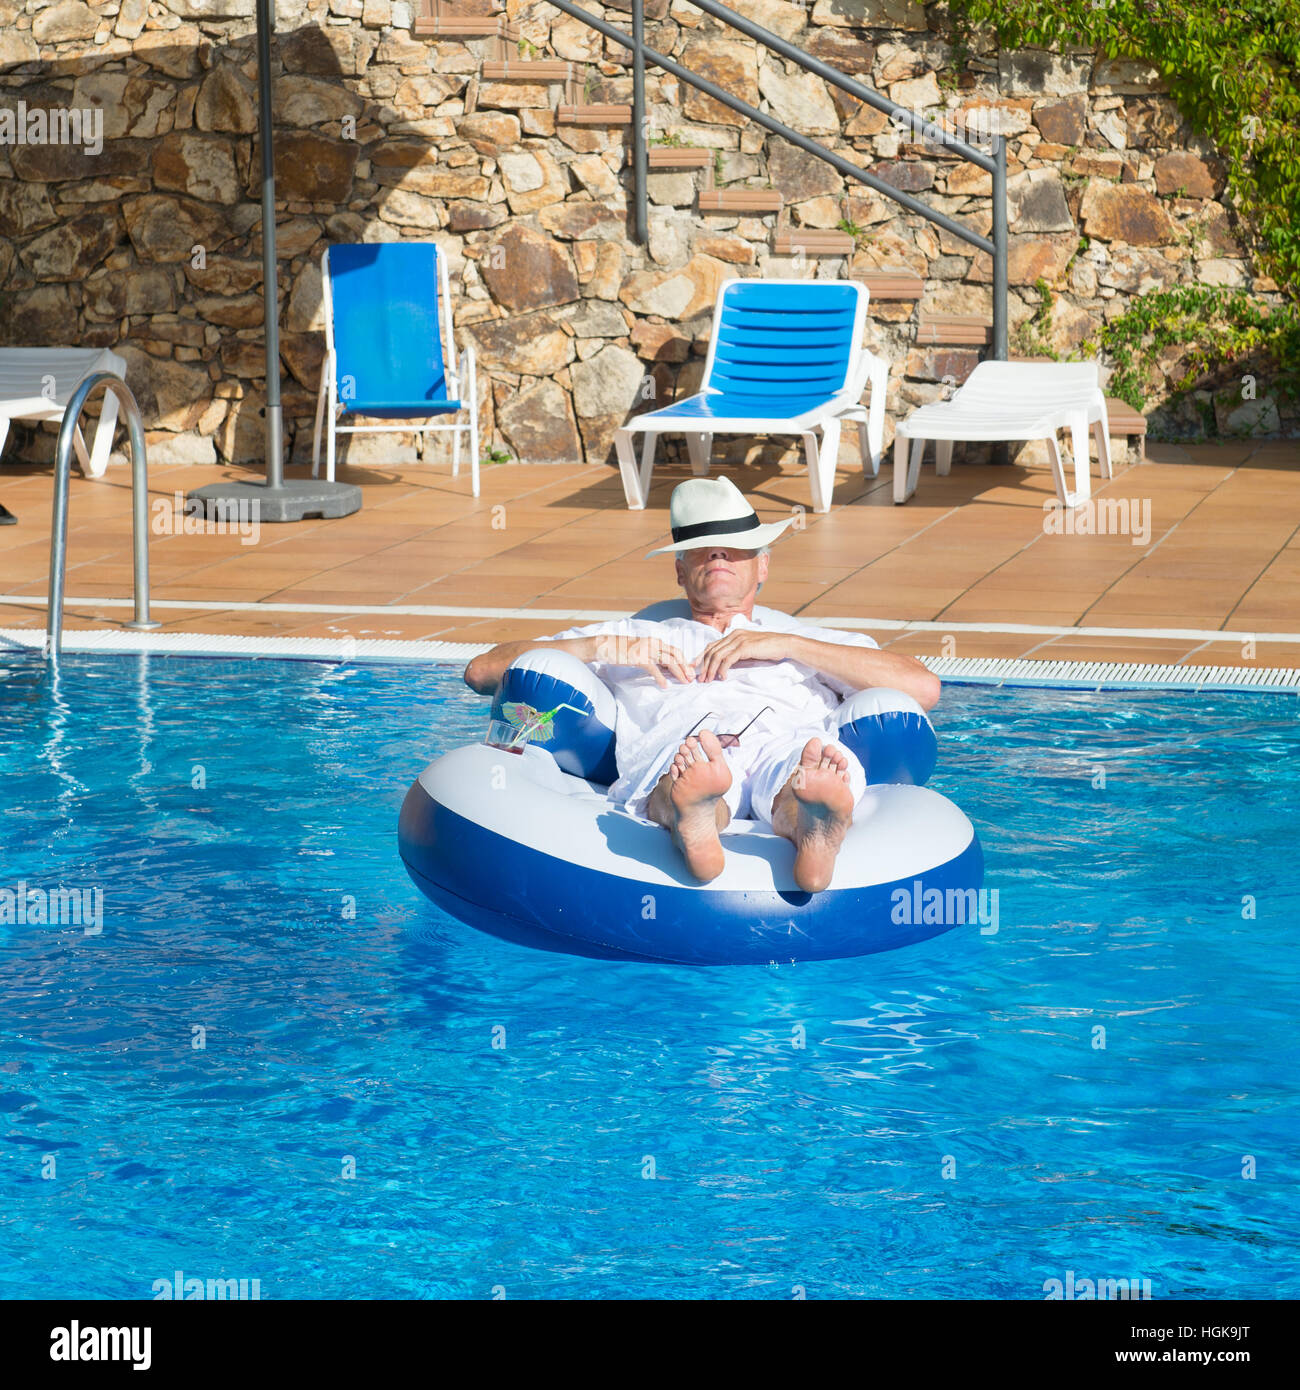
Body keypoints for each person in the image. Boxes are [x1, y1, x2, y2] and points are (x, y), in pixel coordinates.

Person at [465, 478, 940, 892]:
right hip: (684, 743)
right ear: (679, 570)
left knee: (802, 769)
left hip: (787, 743)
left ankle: (812, 826)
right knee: (688, 769)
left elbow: (922, 687)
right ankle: (696, 816)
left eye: (734, 547)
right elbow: (483, 670)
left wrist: (787, 645)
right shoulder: (635, 635)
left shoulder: (805, 640)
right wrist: (603, 647)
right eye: (703, 547)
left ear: (763, 567)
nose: (718, 553)